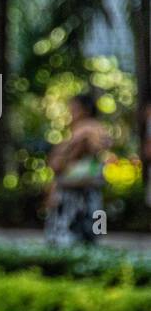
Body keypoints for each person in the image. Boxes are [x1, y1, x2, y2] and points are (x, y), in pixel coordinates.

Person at [44, 92, 112, 246]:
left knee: (76, 241)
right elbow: (56, 163)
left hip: (80, 195)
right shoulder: (80, 131)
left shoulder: (90, 128)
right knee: (76, 241)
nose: (70, 113)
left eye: (74, 109)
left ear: (85, 110)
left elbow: (102, 145)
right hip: (73, 193)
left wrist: (80, 140)